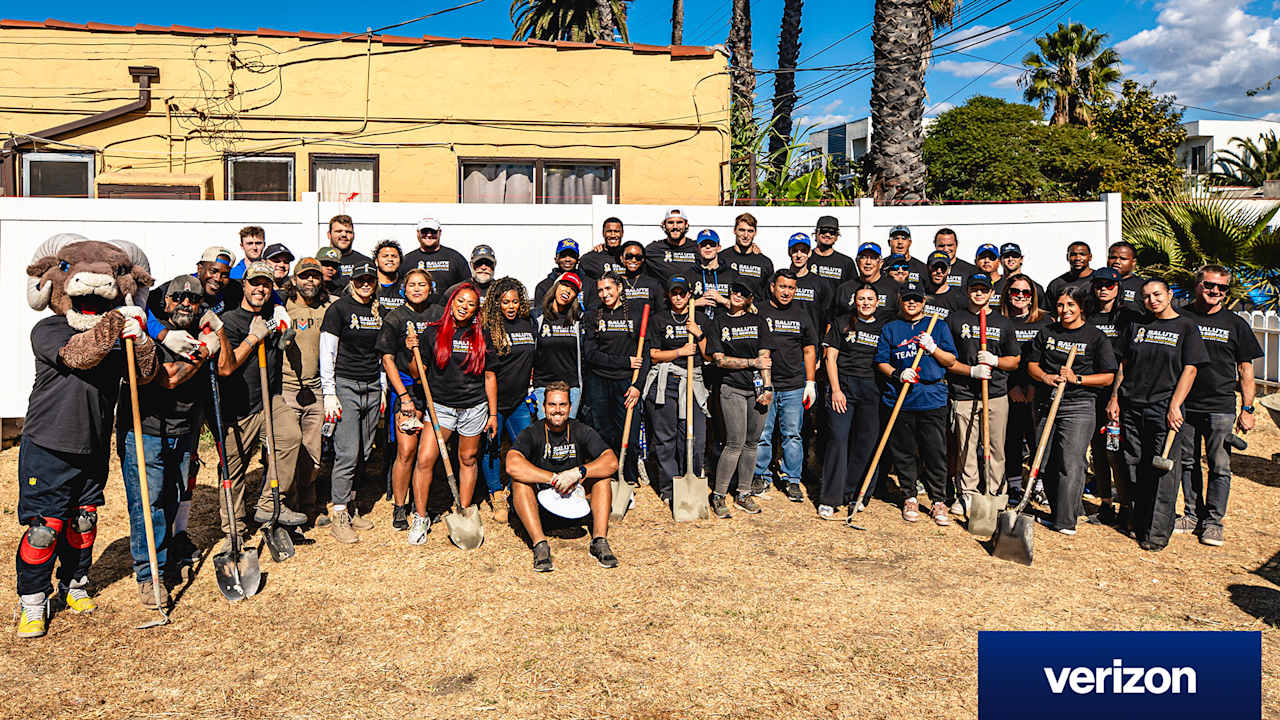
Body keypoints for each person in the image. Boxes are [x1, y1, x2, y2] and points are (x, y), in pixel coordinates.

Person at [16, 238, 157, 638]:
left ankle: (74, 583)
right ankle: (32, 601)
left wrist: (141, 338)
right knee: (46, 528)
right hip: (47, 444)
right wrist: (115, 322)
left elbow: (143, 374)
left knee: (83, 522)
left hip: (92, 444)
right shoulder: (47, 329)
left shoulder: (117, 338)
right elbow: (79, 355)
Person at [117, 275, 214, 608]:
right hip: (145, 431)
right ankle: (149, 576)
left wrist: (210, 343)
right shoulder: (147, 335)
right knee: (149, 503)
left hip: (183, 431)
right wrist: (196, 357)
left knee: (174, 497)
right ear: (166, 302)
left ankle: (167, 558)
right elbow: (168, 378)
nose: (186, 303)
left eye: (194, 299)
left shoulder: (200, 334)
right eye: (178, 297)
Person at [1108, 279, 1207, 551]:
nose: (1153, 300)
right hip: (1132, 405)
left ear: (1169, 294)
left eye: (1158, 294)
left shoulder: (1186, 327)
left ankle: (1156, 535)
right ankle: (1138, 523)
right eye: (1147, 296)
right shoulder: (1137, 326)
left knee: (1162, 471)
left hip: (1163, 408)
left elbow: (1191, 369)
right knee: (1133, 464)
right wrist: (1115, 397)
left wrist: (1175, 405)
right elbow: (1124, 365)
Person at [215, 261, 306, 546]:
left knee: (291, 436)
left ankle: (269, 502)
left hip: (269, 401)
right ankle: (234, 530)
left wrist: (282, 333)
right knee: (233, 469)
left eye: (266, 284)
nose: (260, 289)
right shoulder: (229, 322)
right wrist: (254, 338)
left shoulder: (274, 317)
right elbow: (225, 368)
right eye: (255, 283)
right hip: (236, 407)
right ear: (244, 285)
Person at [1176, 266, 1262, 547]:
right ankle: (1191, 514)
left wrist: (1247, 410)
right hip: (1185, 404)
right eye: (1210, 285)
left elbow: (1245, 369)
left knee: (1219, 465)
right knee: (1187, 462)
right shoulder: (1182, 317)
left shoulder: (1236, 323)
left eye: (1222, 288)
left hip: (1220, 406)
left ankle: (1213, 522)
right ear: (1197, 285)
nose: (1215, 291)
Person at [1026, 286, 1117, 536]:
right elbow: (1032, 364)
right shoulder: (1047, 332)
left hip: (1078, 405)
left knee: (1071, 462)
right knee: (1046, 460)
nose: (1064, 310)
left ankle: (1066, 521)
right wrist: (1045, 377)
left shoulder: (1095, 337)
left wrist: (1078, 379)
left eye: (1070, 305)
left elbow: (1108, 376)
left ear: (1081, 307)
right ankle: (1057, 512)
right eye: (1060, 305)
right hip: (1047, 403)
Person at [506, 382, 620, 572]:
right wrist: (553, 478)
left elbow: (611, 461)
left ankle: (599, 541)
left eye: (562, 405)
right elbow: (512, 463)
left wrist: (577, 473)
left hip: (576, 505)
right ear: (544, 407)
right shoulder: (532, 432)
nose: (557, 410)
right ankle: (540, 545)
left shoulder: (581, 430)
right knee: (520, 482)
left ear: (570, 406)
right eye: (552, 405)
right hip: (542, 508)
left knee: (603, 477)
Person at [413, 283, 494, 534]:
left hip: (474, 407)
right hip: (440, 407)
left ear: (475, 311)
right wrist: (413, 352)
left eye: (471, 304)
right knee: (425, 458)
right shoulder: (432, 333)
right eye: (461, 301)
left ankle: (464, 510)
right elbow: (418, 374)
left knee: (467, 459)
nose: (464, 307)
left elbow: (490, 376)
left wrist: (492, 414)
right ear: (451, 303)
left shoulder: (482, 335)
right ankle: (420, 516)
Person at [875, 283, 958, 526]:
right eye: (907, 299)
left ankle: (938, 500)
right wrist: (897, 374)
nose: (912, 303)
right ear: (901, 301)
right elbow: (881, 361)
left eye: (917, 299)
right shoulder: (891, 328)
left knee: (934, 451)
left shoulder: (937, 325)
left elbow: (950, 359)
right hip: (900, 398)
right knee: (904, 451)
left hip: (931, 398)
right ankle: (909, 495)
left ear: (924, 302)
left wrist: (933, 348)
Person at [943, 273, 1021, 515]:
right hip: (964, 393)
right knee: (966, 446)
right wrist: (971, 371)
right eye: (974, 288)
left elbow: (1015, 360)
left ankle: (996, 493)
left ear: (991, 293)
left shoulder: (1003, 322)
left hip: (996, 394)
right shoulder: (955, 320)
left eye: (983, 289)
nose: (979, 293)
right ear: (967, 291)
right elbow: (947, 359)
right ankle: (967, 493)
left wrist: (995, 360)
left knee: (995, 446)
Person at [319, 263, 385, 543]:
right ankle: (340, 513)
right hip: (345, 385)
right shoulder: (339, 310)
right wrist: (329, 392)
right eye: (361, 280)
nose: (366, 284)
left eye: (370, 279)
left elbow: (382, 352)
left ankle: (353, 503)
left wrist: (381, 387)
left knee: (365, 452)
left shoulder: (378, 311)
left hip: (371, 386)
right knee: (347, 452)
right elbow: (327, 350)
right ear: (352, 281)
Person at [377, 268, 437, 537]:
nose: (416, 289)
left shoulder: (438, 314)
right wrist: (402, 396)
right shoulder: (396, 317)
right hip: (407, 390)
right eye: (411, 284)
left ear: (430, 287)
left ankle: (423, 502)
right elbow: (387, 359)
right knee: (407, 450)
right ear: (404, 288)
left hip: (435, 389)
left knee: (428, 453)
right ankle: (400, 505)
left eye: (422, 284)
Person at [644, 276, 713, 503]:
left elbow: (709, 356)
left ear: (689, 295)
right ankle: (669, 489)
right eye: (674, 293)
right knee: (666, 439)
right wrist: (679, 352)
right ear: (668, 295)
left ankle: (689, 478)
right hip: (666, 383)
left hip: (693, 384)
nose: (678, 297)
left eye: (682, 293)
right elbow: (653, 355)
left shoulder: (700, 319)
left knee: (695, 437)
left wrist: (698, 333)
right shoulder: (659, 319)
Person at [820, 284, 886, 518]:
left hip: (872, 389)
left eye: (870, 299)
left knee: (866, 442)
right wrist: (836, 390)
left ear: (877, 302)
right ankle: (830, 497)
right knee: (838, 439)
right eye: (861, 299)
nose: (866, 303)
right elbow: (831, 358)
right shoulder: (842, 322)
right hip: (844, 387)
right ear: (854, 301)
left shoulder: (884, 326)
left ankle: (857, 494)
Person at [706, 282, 772, 516]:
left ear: (749, 299)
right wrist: (750, 363)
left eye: (743, 293)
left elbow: (765, 356)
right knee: (734, 442)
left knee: (752, 442)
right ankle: (719, 495)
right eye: (734, 291)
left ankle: (743, 493)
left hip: (755, 390)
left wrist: (768, 386)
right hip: (731, 388)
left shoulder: (758, 321)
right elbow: (719, 360)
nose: (737, 295)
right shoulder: (719, 321)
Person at [754, 269, 818, 503]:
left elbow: (809, 348)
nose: (786, 292)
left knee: (793, 435)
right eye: (782, 287)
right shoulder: (759, 310)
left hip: (793, 385)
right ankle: (761, 475)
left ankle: (792, 479)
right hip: (767, 383)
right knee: (763, 434)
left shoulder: (802, 312)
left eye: (791, 288)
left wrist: (810, 382)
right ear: (772, 287)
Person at [1084, 266, 1141, 524]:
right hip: (1092, 389)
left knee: (1116, 451)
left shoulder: (1129, 317)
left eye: (1110, 285)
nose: (1104, 289)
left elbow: (1129, 359)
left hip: (1118, 392)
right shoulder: (1087, 314)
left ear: (1118, 288)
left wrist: (1116, 396)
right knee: (1098, 449)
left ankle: (1127, 504)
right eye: (1099, 285)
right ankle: (1105, 503)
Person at [479, 277, 538, 524]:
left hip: (519, 400)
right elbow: (488, 372)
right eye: (505, 302)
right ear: (497, 303)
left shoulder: (529, 322)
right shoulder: (490, 328)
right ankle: (496, 494)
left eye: (514, 301)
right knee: (491, 447)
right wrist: (492, 412)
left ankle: (518, 490)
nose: (511, 306)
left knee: (525, 446)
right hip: (494, 402)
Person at [583, 273, 650, 487]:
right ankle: (608, 475)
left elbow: (645, 355)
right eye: (601, 290)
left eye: (609, 289)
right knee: (604, 431)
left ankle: (628, 476)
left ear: (619, 288)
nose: (605, 294)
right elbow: (591, 354)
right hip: (599, 382)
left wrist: (637, 386)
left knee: (628, 435)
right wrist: (624, 362)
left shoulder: (637, 314)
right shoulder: (594, 315)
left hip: (626, 384)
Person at [281, 257, 333, 524]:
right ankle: (289, 507)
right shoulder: (282, 307)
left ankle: (309, 505)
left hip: (317, 388)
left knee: (313, 452)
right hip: (287, 388)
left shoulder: (329, 307)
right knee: (289, 450)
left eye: (314, 276)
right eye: (304, 276)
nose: (310, 281)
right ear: (294, 280)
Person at [999, 274, 1051, 505]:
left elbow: (1049, 359)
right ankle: (1014, 486)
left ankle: (1038, 484)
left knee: (1037, 438)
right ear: (1007, 294)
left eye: (1025, 292)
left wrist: (1032, 387)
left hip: (1037, 390)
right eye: (1015, 292)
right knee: (1011, 438)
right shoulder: (1000, 320)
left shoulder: (1044, 321)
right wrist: (1012, 388)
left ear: (1032, 297)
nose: (1020, 296)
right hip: (1008, 388)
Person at [145, 245, 242, 340]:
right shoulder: (178, 287)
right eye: (213, 271)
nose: (218, 278)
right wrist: (162, 333)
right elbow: (143, 305)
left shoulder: (233, 289)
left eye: (225, 275)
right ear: (200, 269)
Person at [532, 271, 585, 416]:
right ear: (556, 286)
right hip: (543, 386)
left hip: (571, 388)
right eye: (565, 285)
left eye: (573, 289)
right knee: (544, 432)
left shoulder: (579, 320)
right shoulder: (537, 317)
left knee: (566, 433)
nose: (567, 291)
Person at [402, 218, 469, 295]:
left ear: (440, 232)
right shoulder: (407, 260)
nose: (429, 235)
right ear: (418, 233)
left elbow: (468, 286)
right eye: (424, 231)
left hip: (446, 306)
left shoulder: (455, 257)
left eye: (433, 231)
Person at [782, 232, 832, 334]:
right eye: (795, 251)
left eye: (803, 251)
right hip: (785, 342)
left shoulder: (821, 283)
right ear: (789, 253)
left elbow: (829, 319)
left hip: (812, 343)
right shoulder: (780, 280)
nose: (799, 255)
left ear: (809, 253)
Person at [833, 241, 898, 316]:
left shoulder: (894, 288)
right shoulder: (844, 289)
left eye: (873, 258)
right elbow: (834, 321)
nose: (868, 262)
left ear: (880, 263)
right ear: (857, 261)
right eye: (863, 257)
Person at [719, 212, 774, 299]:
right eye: (742, 230)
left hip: (755, 311)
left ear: (755, 232)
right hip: (727, 310)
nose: (746, 235)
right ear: (734, 230)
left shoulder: (764, 262)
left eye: (750, 231)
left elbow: (769, 295)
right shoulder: (722, 258)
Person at [690, 229, 737, 317]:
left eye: (712, 244)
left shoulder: (731, 274)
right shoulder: (689, 274)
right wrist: (695, 303)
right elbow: (676, 306)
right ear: (697, 248)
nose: (708, 247)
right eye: (703, 244)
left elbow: (743, 307)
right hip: (697, 327)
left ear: (719, 248)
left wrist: (722, 300)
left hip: (724, 327)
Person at [606, 239, 663, 310]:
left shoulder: (653, 284)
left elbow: (661, 310)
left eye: (638, 257)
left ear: (642, 259)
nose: (633, 260)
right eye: (629, 256)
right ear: (621, 258)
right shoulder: (614, 283)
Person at [644, 208, 699, 281]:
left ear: (686, 225)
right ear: (663, 225)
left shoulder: (698, 247)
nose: (675, 226)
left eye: (679, 222)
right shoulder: (653, 249)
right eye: (670, 222)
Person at [993, 243, 1048, 311]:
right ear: (1000, 260)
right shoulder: (993, 287)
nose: (1010, 259)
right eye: (1006, 256)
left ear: (1021, 259)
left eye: (1015, 256)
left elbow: (1042, 314)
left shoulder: (1034, 287)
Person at [808, 215, 854, 290]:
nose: (827, 235)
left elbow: (851, 290)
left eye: (832, 232)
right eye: (823, 231)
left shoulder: (846, 262)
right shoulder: (805, 259)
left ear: (836, 236)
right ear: (816, 233)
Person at [325, 215, 372, 288]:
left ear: (353, 235)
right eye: (338, 231)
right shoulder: (320, 262)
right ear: (329, 235)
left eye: (348, 232)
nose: (344, 235)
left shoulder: (365, 262)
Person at [534, 238, 581, 306]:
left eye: (572, 256)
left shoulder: (588, 284)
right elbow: (538, 313)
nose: (567, 259)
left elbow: (593, 311)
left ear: (578, 260)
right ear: (556, 259)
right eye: (563, 256)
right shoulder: (543, 286)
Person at [578, 217, 626, 282]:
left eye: (616, 231)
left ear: (622, 233)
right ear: (603, 233)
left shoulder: (630, 257)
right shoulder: (589, 259)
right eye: (609, 231)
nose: (613, 235)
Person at [923, 250, 967, 320]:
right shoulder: (920, 294)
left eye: (943, 267)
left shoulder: (959, 299)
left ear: (949, 269)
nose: (939, 271)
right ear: (927, 267)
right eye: (935, 267)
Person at [1107, 241, 1146, 313]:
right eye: (1113, 257)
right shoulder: (1097, 283)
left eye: (1123, 258)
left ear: (1133, 262)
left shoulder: (1143, 286)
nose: (1117, 261)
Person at [373, 239, 405, 315]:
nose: (390, 259)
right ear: (376, 261)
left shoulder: (407, 286)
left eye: (394, 256)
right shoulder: (368, 286)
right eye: (385, 256)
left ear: (400, 261)